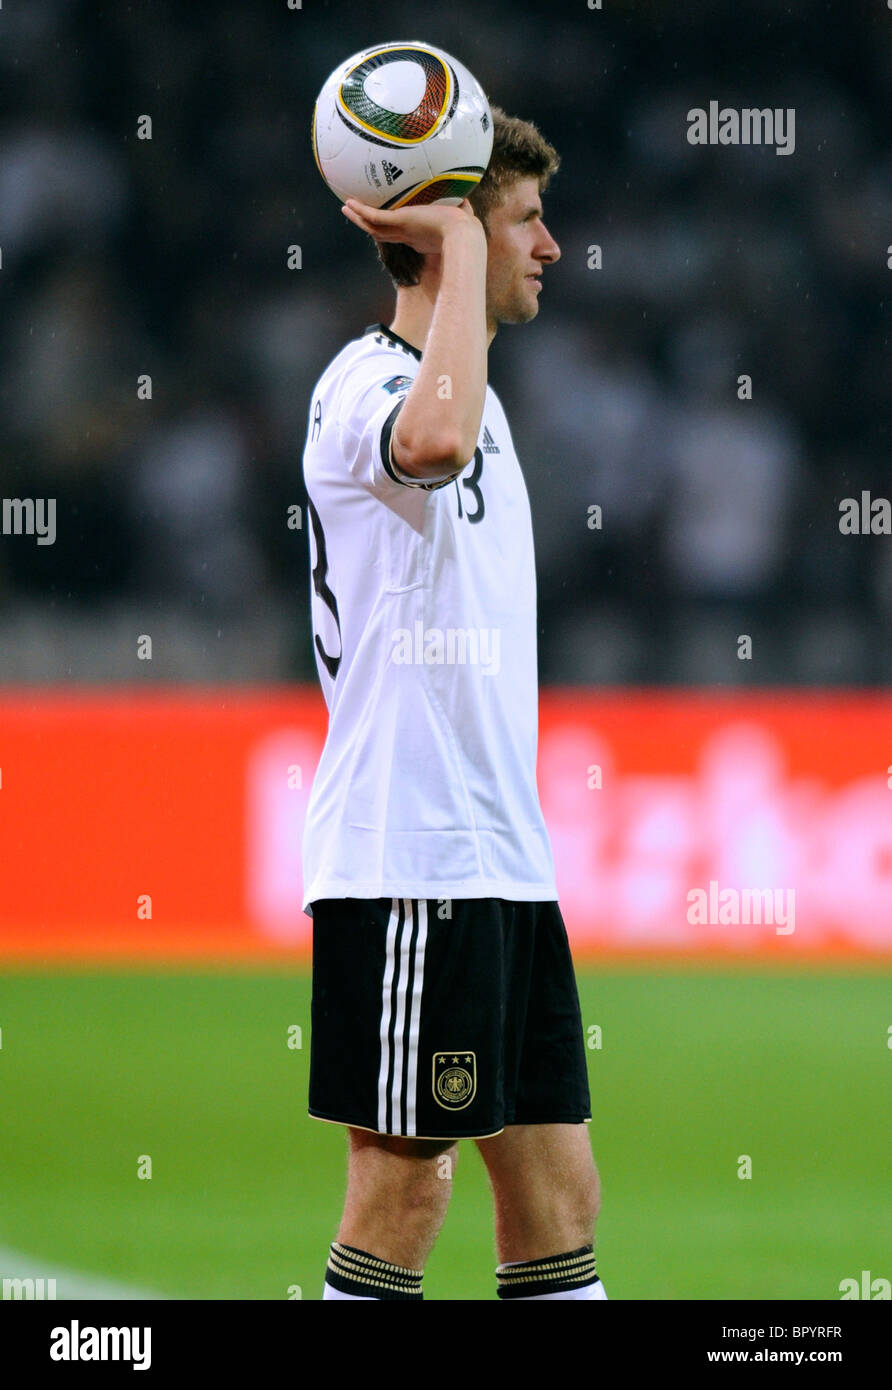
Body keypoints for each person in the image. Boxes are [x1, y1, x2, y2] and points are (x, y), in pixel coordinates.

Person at [301, 105, 607, 1302]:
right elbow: (426, 444)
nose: (552, 245)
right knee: (404, 1188)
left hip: (500, 863)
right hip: (410, 857)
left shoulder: (482, 399)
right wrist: (460, 248)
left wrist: (463, 243)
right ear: (453, 235)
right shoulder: (363, 388)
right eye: (524, 220)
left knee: (556, 1197)